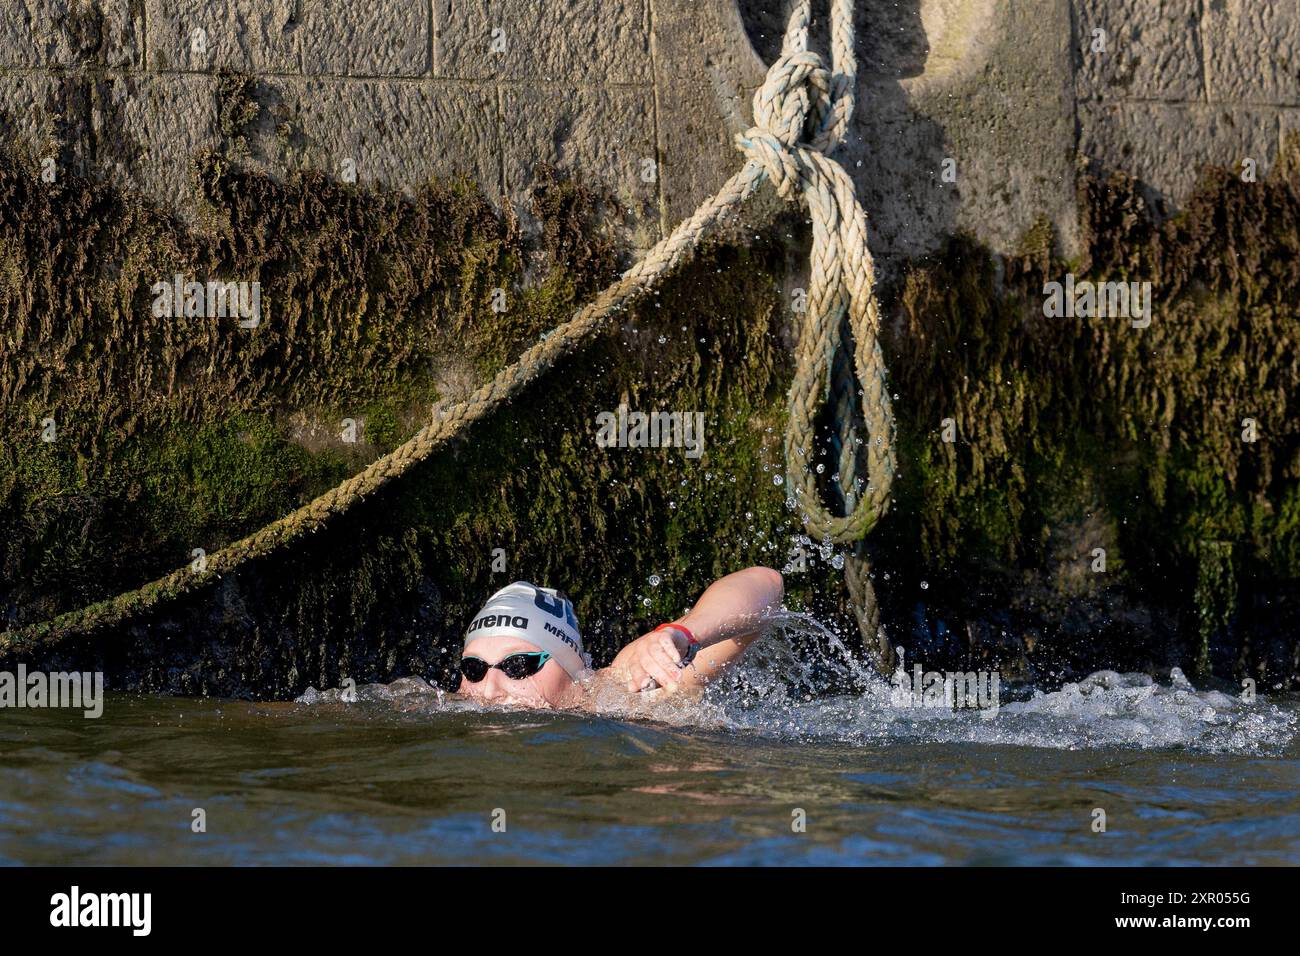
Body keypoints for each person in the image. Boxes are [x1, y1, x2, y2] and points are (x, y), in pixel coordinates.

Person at [453, 567, 784, 709]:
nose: (490, 689)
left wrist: (681, 634)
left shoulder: (630, 687)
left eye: (518, 665)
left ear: (575, 670)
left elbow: (766, 584)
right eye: (474, 669)